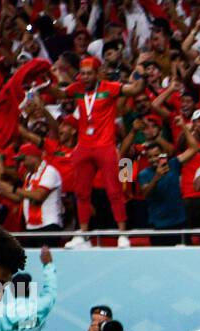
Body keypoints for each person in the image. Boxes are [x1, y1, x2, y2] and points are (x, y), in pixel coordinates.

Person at [59, 56, 145, 248]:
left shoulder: (110, 87)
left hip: (104, 146)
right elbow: (58, 94)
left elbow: (136, 89)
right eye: (82, 74)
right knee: (81, 192)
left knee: (114, 191)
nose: (85, 77)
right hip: (83, 146)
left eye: (89, 74)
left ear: (97, 73)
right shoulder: (77, 89)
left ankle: (122, 234)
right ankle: (82, 234)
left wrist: (139, 72)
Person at [0, 247, 58, 331]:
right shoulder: (40, 306)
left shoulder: (1, 313)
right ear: (29, 288)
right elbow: (51, 290)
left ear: (12, 289)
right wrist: (48, 265)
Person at [0, 143, 64, 242]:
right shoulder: (29, 176)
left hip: (48, 226)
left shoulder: (50, 172)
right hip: (31, 227)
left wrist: (12, 189)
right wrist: (1, 190)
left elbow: (39, 195)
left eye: (23, 160)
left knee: (47, 258)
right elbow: (20, 198)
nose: (22, 164)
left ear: (33, 157)